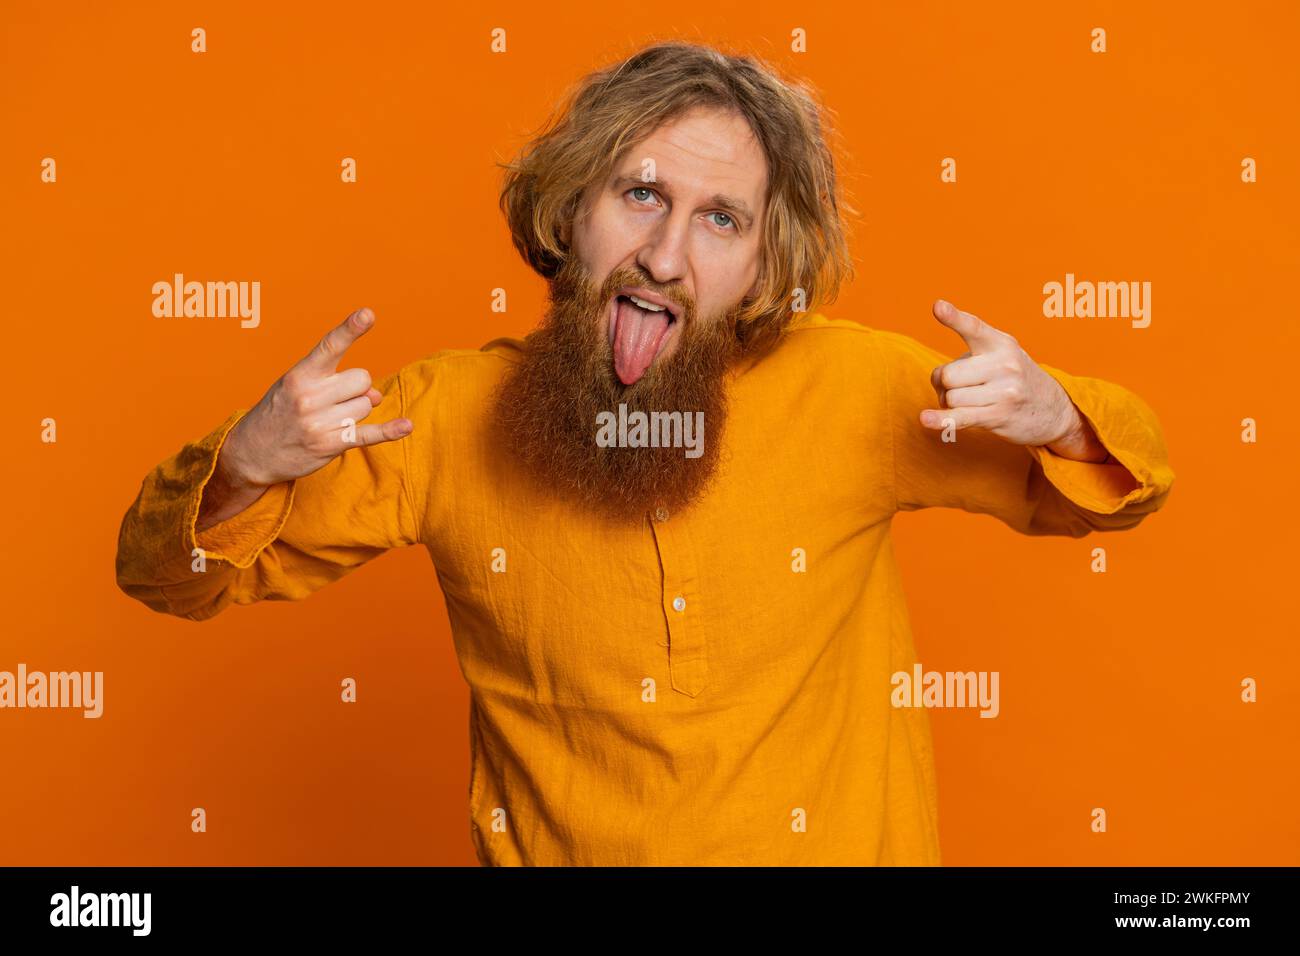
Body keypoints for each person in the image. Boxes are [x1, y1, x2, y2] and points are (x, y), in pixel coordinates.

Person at [116, 40, 1175, 865]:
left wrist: (1056, 415)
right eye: (639, 194)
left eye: (720, 218)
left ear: (764, 268)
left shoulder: (854, 390)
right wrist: (248, 459)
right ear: (570, 207)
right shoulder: (438, 420)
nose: (665, 255)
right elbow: (171, 576)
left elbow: (1113, 493)